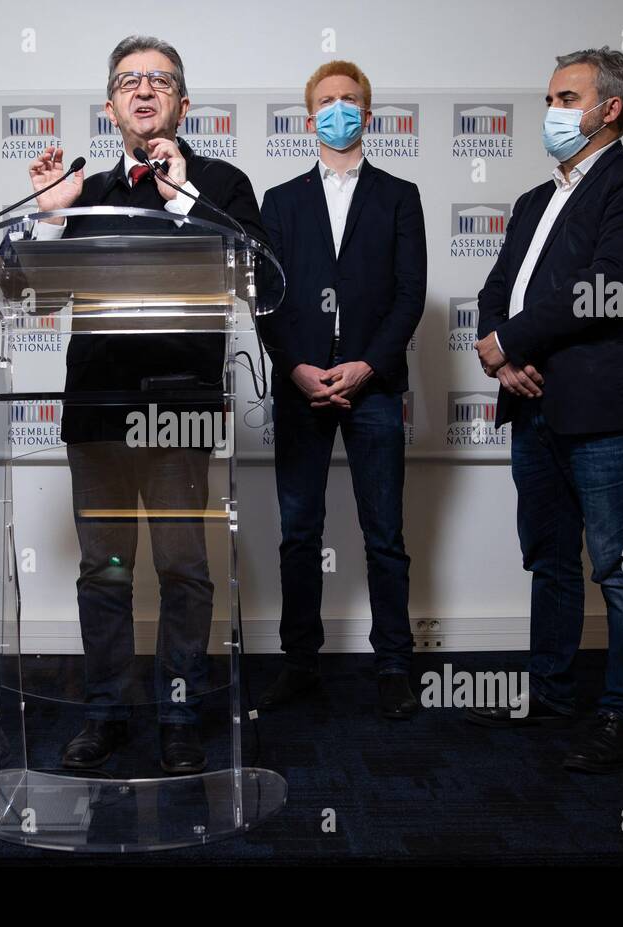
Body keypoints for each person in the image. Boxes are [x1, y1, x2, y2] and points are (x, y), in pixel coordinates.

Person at [25, 35, 268, 775]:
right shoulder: (85, 191)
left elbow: (254, 274)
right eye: (128, 81)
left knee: (184, 569)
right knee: (104, 572)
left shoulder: (222, 182)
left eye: (160, 80)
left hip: (180, 406)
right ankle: (104, 713)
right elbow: (37, 300)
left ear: (183, 103)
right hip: (97, 409)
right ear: (109, 107)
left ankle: (179, 712)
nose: (144, 90)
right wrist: (47, 218)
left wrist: (183, 197)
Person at [468, 48, 623, 773]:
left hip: (602, 410)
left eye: (565, 97)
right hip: (530, 407)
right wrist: (499, 349)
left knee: (621, 568)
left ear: (609, 108)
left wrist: (509, 342)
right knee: (550, 561)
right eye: (551, 98)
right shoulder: (534, 200)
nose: (552, 111)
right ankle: (553, 692)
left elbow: (608, 284)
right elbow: (499, 291)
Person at [255, 60, 427, 719]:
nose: (338, 110)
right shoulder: (280, 201)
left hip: (374, 389)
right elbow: (266, 298)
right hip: (300, 386)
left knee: (384, 532)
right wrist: (299, 368)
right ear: (308, 120)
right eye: (326, 102)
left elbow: (409, 296)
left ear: (368, 115)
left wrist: (367, 366)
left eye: (349, 101)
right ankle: (300, 664)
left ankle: (393, 665)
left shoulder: (398, 196)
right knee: (300, 532)